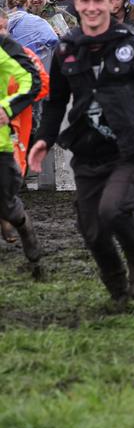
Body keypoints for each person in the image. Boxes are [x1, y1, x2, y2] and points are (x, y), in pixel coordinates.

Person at [29, 0, 134, 305]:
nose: (91, 8)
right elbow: (56, 100)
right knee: (91, 227)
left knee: (113, 210)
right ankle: (116, 285)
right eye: (84, 1)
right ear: (77, 4)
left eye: (98, 1)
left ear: (112, 2)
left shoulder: (133, 44)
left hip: (128, 148)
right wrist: (43, 139)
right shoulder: (67, 49)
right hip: (87, 147)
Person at [0, 30, 43, 276]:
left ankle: (22, 225)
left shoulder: (4, 46)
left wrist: (8, 107)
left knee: (6, 203)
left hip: (0, 143)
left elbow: (32, 78)